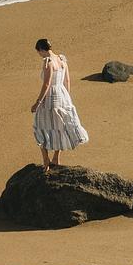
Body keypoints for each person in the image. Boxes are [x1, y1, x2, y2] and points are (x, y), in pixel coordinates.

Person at [30, 38, 89, 170]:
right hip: (62, 95)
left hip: (50, 96)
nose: (39, 54)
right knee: (60, 126)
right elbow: (67, 80)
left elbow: (47, 83)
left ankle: (46, 161)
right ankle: (56, 158)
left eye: (39, 52)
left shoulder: (48, 62)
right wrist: (66, 97)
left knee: (40, 126)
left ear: (41, 50)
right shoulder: (62, 59)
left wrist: (37, 102)